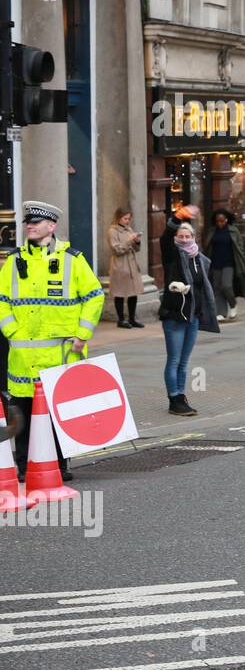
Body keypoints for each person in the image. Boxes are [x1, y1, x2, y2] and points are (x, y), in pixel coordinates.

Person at [0, 201, 104, 481]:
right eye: (27, 222)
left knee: (57, 414)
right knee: (22, 415)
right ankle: (24, 466)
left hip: (60, 354)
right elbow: (2, 301)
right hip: (23, 357)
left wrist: (83, 334)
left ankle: (59, 465)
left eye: (36, 222)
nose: (30, 226)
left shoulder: (72, 259)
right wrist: (11, 331)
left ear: (52, 226)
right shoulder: (14, 260)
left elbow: (94, 296)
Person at [159, 206, 219, 415]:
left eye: (187, 236)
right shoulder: (172, 255)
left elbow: (203, 288)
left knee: (184, 362)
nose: (184, 239)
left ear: (194, 237)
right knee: (174, 360)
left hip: (192, 316)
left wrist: (203, 311)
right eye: (180, 236)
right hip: (174, 315)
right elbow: (166, 236)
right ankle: (173, 398)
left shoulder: (200, 259)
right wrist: (177, 217)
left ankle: (181, 395)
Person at [203, 209, 245, 320]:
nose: (220, 223)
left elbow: (240, 246)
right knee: (217, 288)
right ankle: (221, 312)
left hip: (229, 262)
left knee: (226, 286)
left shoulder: (233, 230)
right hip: (215, 262)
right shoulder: (212, 231)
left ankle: (233, 304)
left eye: (222, 221)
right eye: (217, 221)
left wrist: (240, 260)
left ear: (226, 220)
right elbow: (207, 247)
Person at [107, 208, 145, 329]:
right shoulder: (112, 231)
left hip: (132, 264)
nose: (128, 221)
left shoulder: (129, 229)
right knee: (120, 293)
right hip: (120, 265)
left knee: (133, 292)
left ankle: (132, 318)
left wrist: (137, 242)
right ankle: (121, 319)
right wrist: (129, 241)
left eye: (129, 218)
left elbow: (137, 249)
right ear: (118, 218)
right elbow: (116, 250)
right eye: (125, 218)